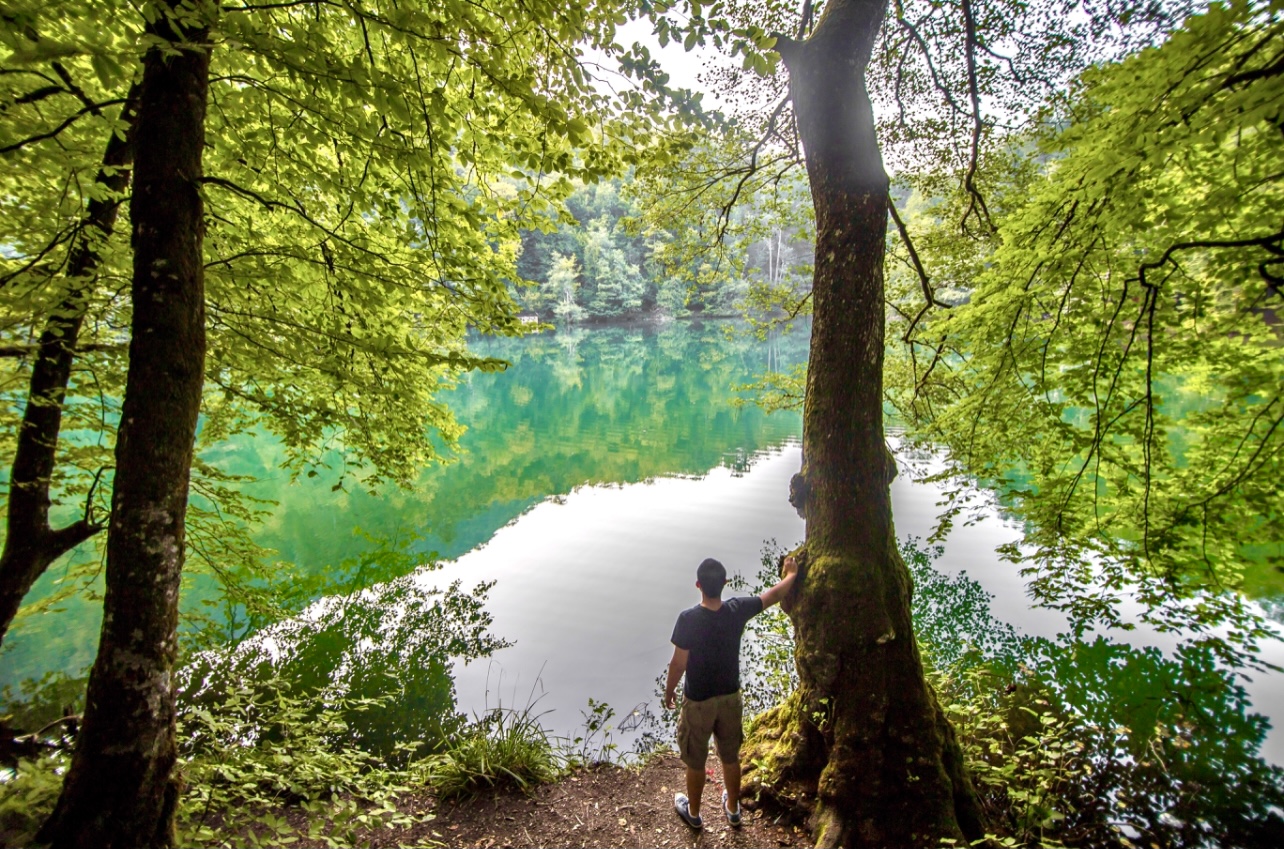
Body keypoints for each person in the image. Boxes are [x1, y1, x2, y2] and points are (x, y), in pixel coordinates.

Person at [664, 554, 799, 830]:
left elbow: (679, 663)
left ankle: (694, 813)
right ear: (726, 583)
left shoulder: (688, 619)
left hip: (698, 701)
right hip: (730, 698)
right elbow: (772, 595)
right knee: (730, 754)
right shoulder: (737, 610)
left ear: (698, 585)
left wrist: (669, 691)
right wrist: (791, 575)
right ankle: (734, 810)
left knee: (696, 759)